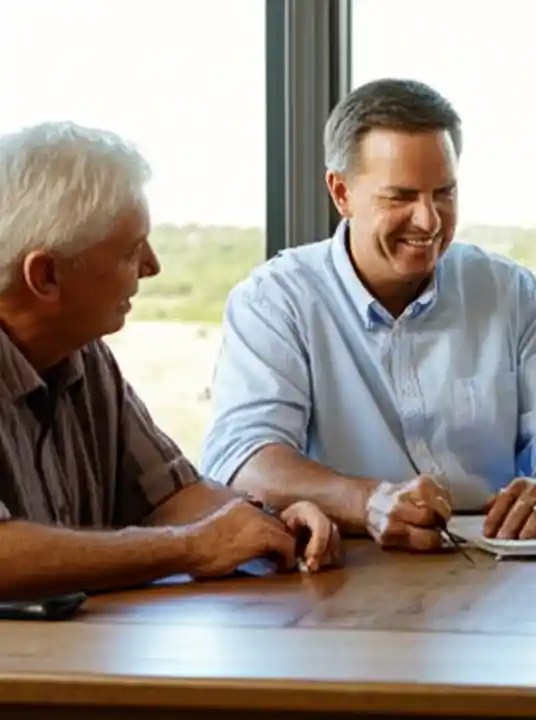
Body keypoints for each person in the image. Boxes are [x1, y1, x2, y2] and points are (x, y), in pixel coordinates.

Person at [200, 78, 536, 550]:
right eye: (400, 197)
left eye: (444, 193)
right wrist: (366, 501)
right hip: (342, 568)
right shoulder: (275, 300)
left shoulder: (512, 293)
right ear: (341, 193)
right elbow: (244, 459)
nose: (430, 220)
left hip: (502, 564)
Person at [0, 122, 341, 600]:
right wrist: (189, 548)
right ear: (46, 276)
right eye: (130, 250)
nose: (152, 266)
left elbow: (175, 495)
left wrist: (266, 521)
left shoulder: (85, 357)